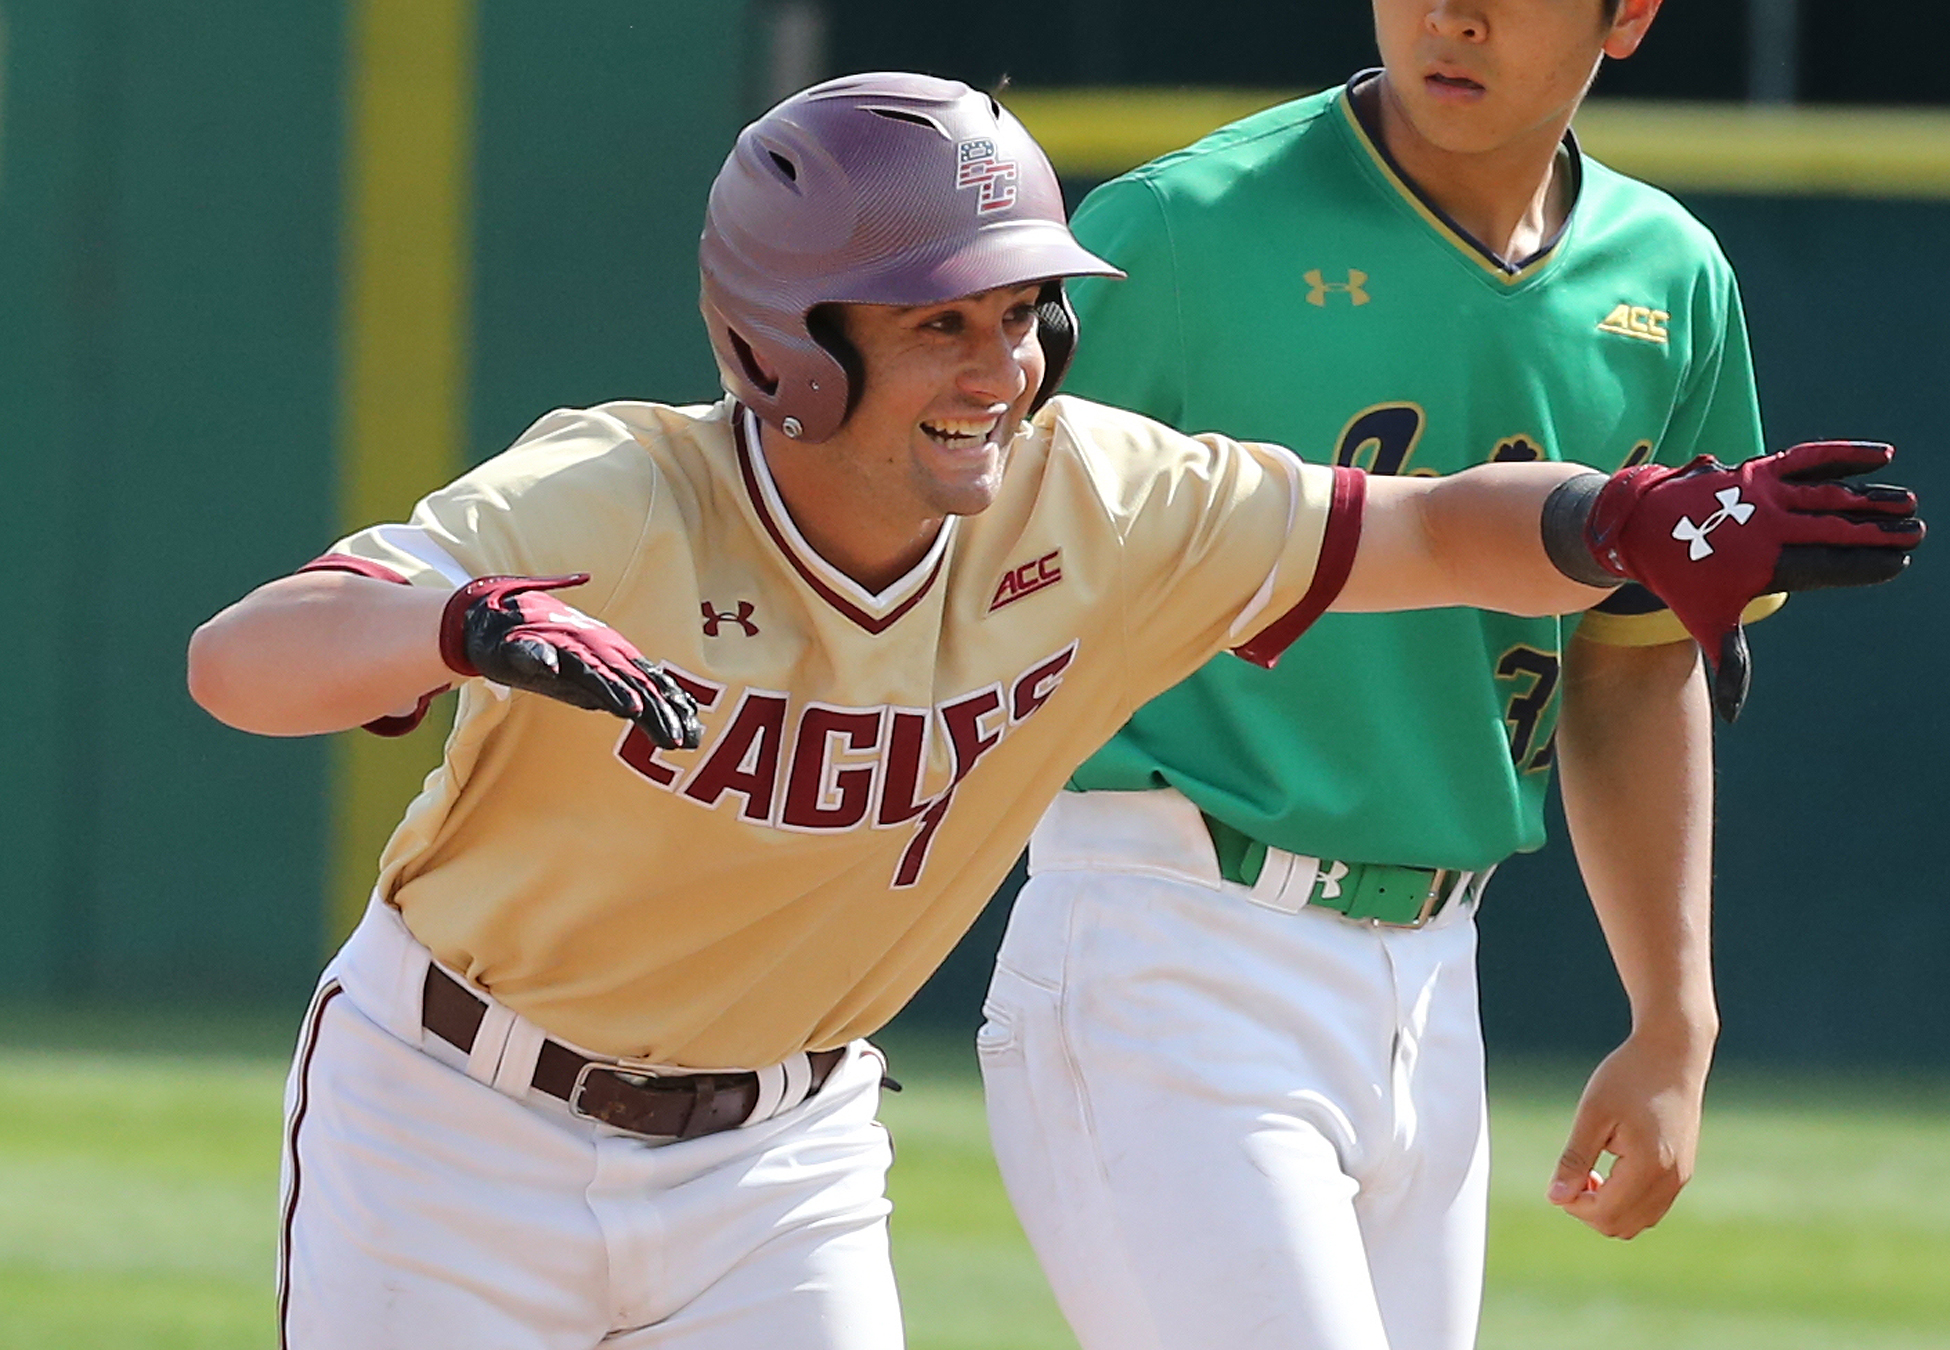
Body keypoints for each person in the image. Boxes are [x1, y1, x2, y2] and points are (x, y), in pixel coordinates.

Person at [184, 73, 1915, 1350]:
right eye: (943, 318)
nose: (1002, 365)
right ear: (789, 341)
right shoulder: (621, 495)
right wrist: (456, 624)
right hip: (453, 1124)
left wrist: (1610, 524)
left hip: (774, 1163)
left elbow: (1417, 525)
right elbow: (243, 658)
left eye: (1025, 313)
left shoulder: (1090, 501)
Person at [973, 2, 1877, 1348]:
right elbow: (954, 565)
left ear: (1625, 14)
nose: (1451, 15)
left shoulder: (1668, 278)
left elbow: (1629, 670)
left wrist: (1671, 1013)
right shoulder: (1176, 232)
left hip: (1432, 982)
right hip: (1170, 938)